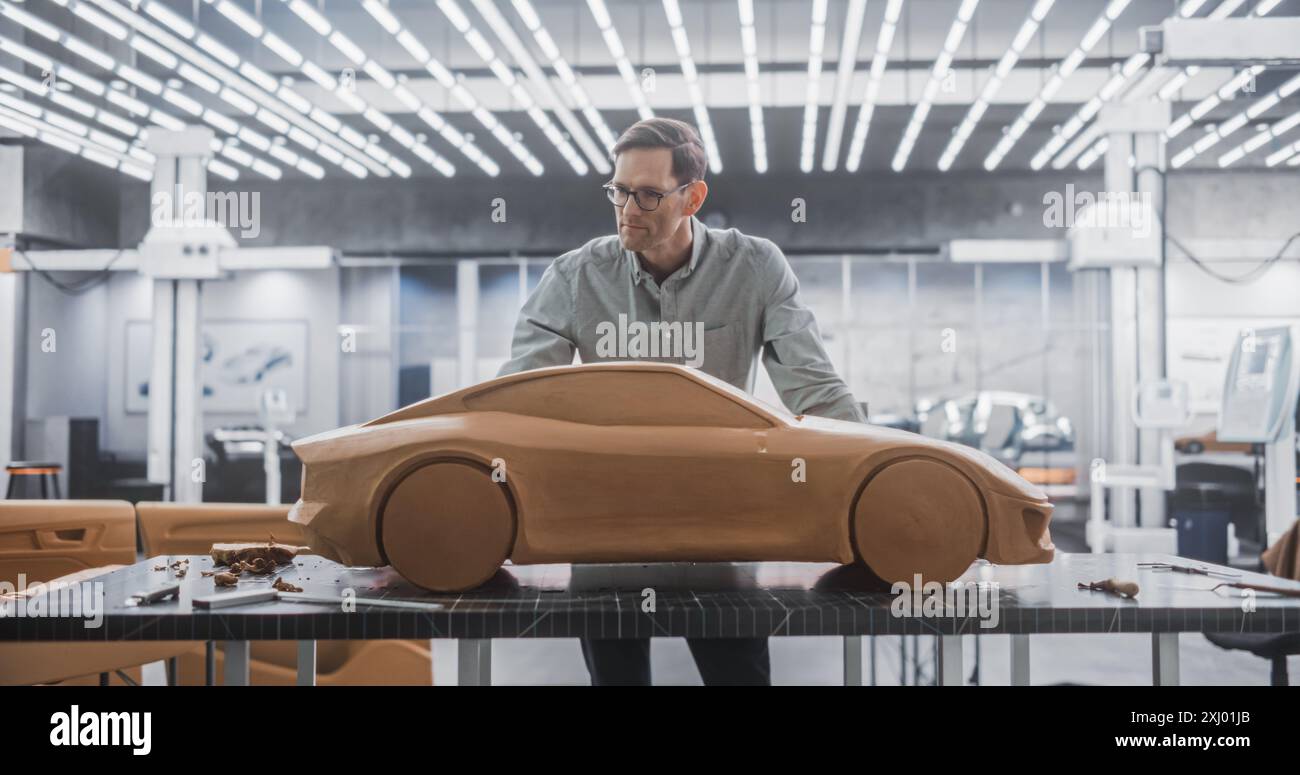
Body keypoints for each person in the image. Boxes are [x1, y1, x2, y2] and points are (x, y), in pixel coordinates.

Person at [500, 117, 864, 686]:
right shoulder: (576, 277)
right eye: (618, 191)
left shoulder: (754, 267)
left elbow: (814, 389)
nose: (628, 208)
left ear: (693, 197)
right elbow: (516, 397)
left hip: (719, 525)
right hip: (606, 531)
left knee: (738, 675)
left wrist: (879, 474)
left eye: (648, 194)